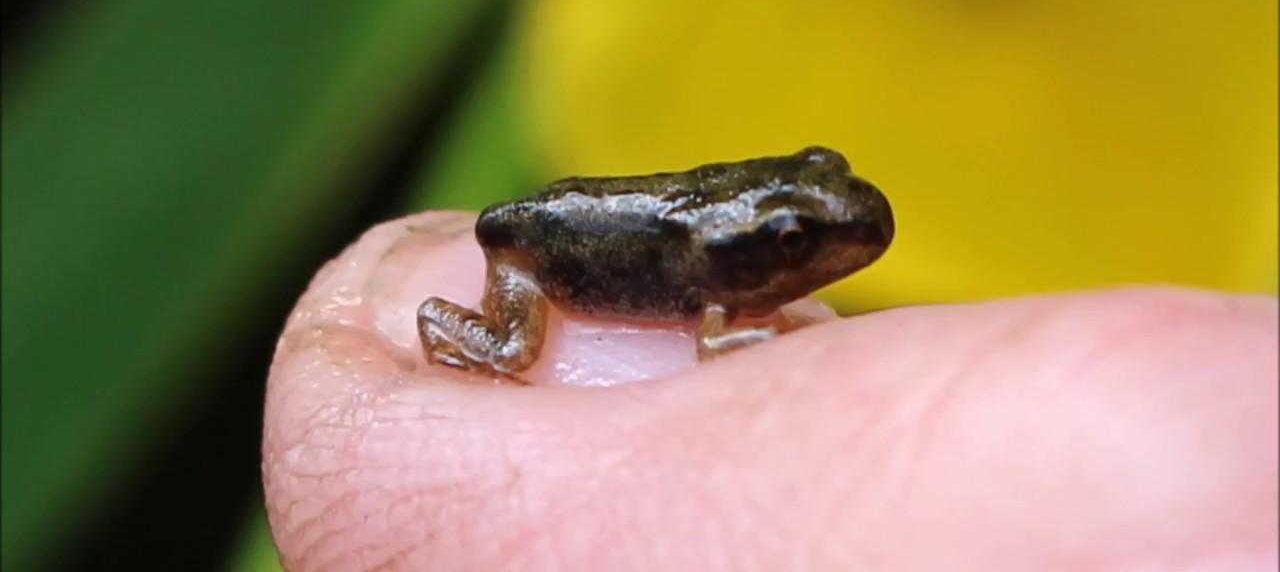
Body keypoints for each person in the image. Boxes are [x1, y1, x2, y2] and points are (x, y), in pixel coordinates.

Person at [262, 212, 1277, 571]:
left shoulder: (721, 277)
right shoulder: (711, 285)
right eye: (797, 243)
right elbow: (712, 354)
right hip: (528, 249)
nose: (827, 256)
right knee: (517, 364)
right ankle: (447, 328)